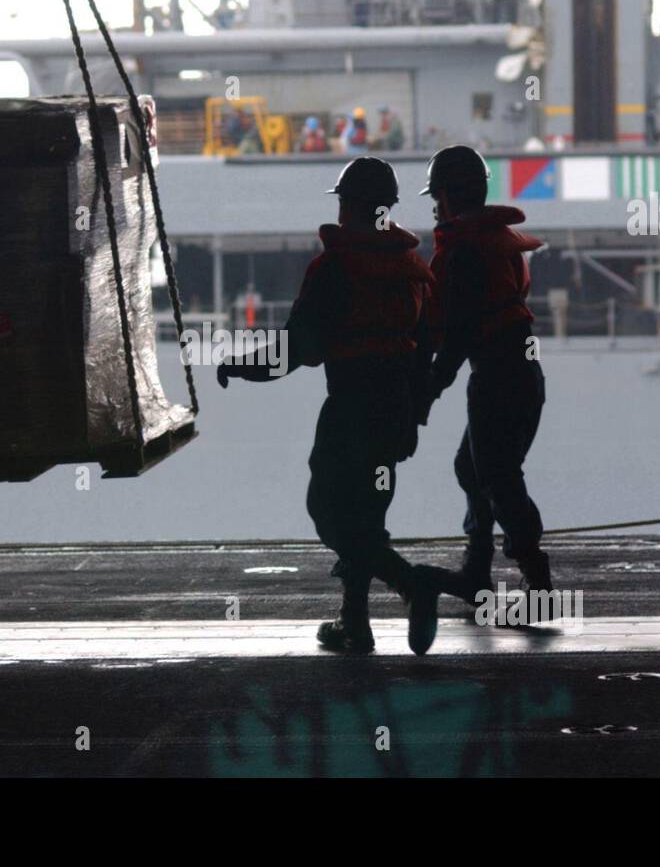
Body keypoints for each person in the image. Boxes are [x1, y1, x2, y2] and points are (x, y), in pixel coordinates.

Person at [218, 158, 469, 655]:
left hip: (351, 406)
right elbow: (426, 349)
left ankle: (410, 583)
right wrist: (414, 416)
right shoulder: (411, 271)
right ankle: (355, 623)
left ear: (348, 205)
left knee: (329, 512)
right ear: (389, 210)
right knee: (368, 516)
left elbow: (296, 350)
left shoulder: (334, 268)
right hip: (395, 408)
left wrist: (241, 367)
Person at [415, 146, 554, 601]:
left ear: (451, 197)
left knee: (496, 474)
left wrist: (427, 391)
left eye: (437, 196)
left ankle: (536, 579)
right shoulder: (497, 245)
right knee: (474, 469)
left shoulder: (464, 255)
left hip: (496, 378)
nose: (435, 207)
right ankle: (477, 571)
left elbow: (456, 336)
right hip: (522, 375)